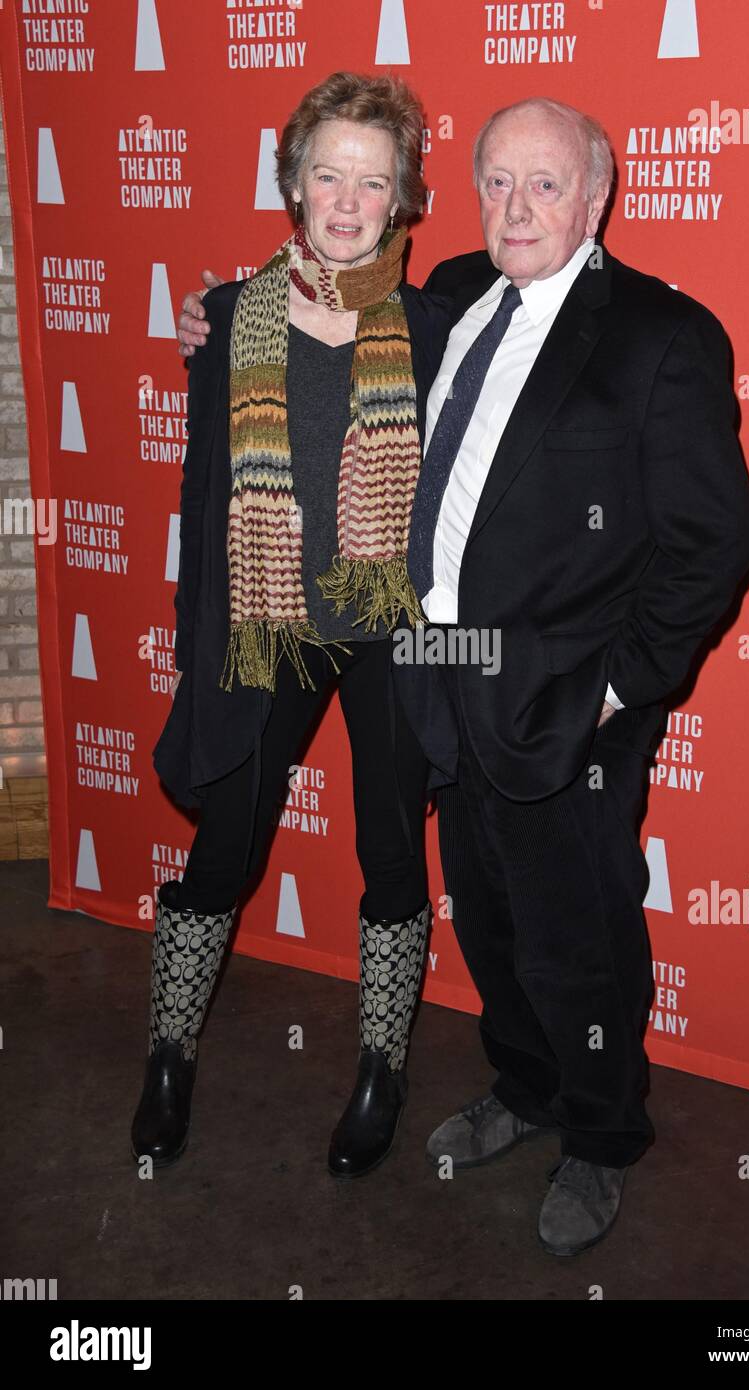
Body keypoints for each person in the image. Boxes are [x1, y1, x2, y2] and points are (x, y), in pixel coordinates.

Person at [393, 96, 749, 1256]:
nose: (515, 207)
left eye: (542, 185)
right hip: (445, 673)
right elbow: (321, 299)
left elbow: (715, 541)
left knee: (578, 935)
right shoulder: (452, 292)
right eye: (494, 181)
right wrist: (219, 320)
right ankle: (526, 1085)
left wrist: (613, 694)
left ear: (595, 198)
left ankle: (601, 1135)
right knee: (491, 919)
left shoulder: (659, 335)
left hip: (567, 705)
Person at [133, 72, 448, 1180]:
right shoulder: (225, 318)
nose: (350, 200)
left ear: (404, 196)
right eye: (329, 174)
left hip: (387, 630)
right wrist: (192, 637)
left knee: (388, 852)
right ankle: (168, 1049)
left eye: (374, 179)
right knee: (221, 848)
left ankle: (379, 1068)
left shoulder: (432, 322)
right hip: (267, 625)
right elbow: (197, 491)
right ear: (294, 183)